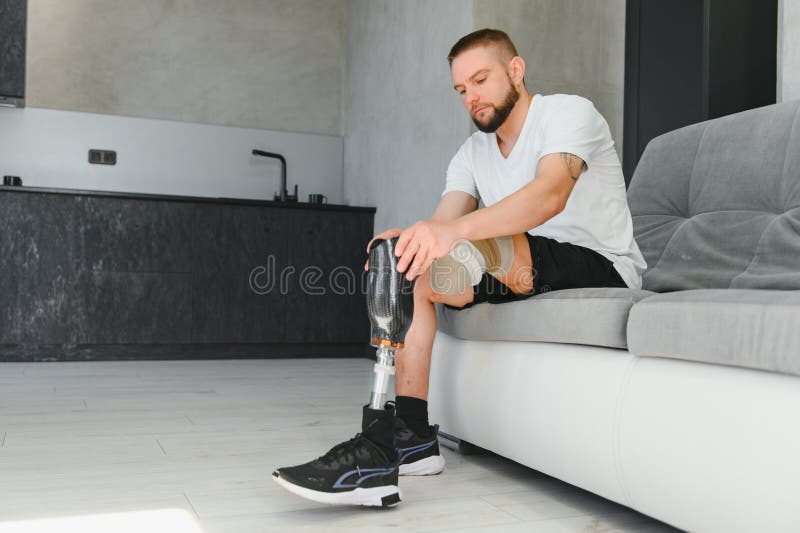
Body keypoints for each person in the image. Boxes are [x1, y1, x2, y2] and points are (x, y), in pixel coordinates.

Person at [272, 28, 646, 507]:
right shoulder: (471, 154)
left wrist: (452, 233)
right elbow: (443, 223)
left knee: (483, 244)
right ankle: (408, 436)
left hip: (598, 264)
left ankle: (384, 446)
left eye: (481, 80)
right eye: (461, 89)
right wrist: (408, 239)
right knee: (410, 271)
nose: (471, 97)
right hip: (522, 263)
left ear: (516, 70)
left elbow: (549, 194)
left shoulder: (568, 114)